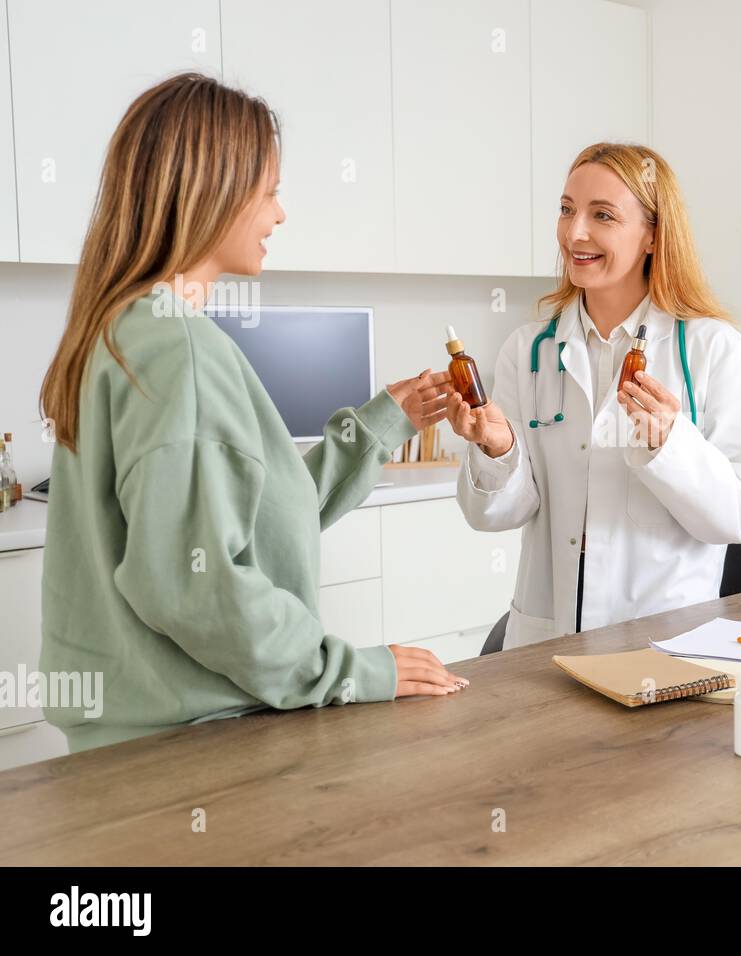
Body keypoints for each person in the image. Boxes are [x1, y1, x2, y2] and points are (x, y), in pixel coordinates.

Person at [38, 73, 466, 752]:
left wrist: (384, 423)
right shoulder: (179, 346)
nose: (280, 214)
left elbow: (256, 517)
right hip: (195, 748)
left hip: (125, 746)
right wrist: (346, 670)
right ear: (212, 191)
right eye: (269, 190)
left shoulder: (120, 331)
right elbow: (188, 584)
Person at [448, 143, 741, 648]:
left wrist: (668, 442)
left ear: (652, 235)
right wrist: (499, 450)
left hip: (666, 644)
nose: (574, 232)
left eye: (602, 215)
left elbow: (736, 518)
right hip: (545, 642)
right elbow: (498, 514)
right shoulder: (528, 350)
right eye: (566, 210)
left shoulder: (714, 349)